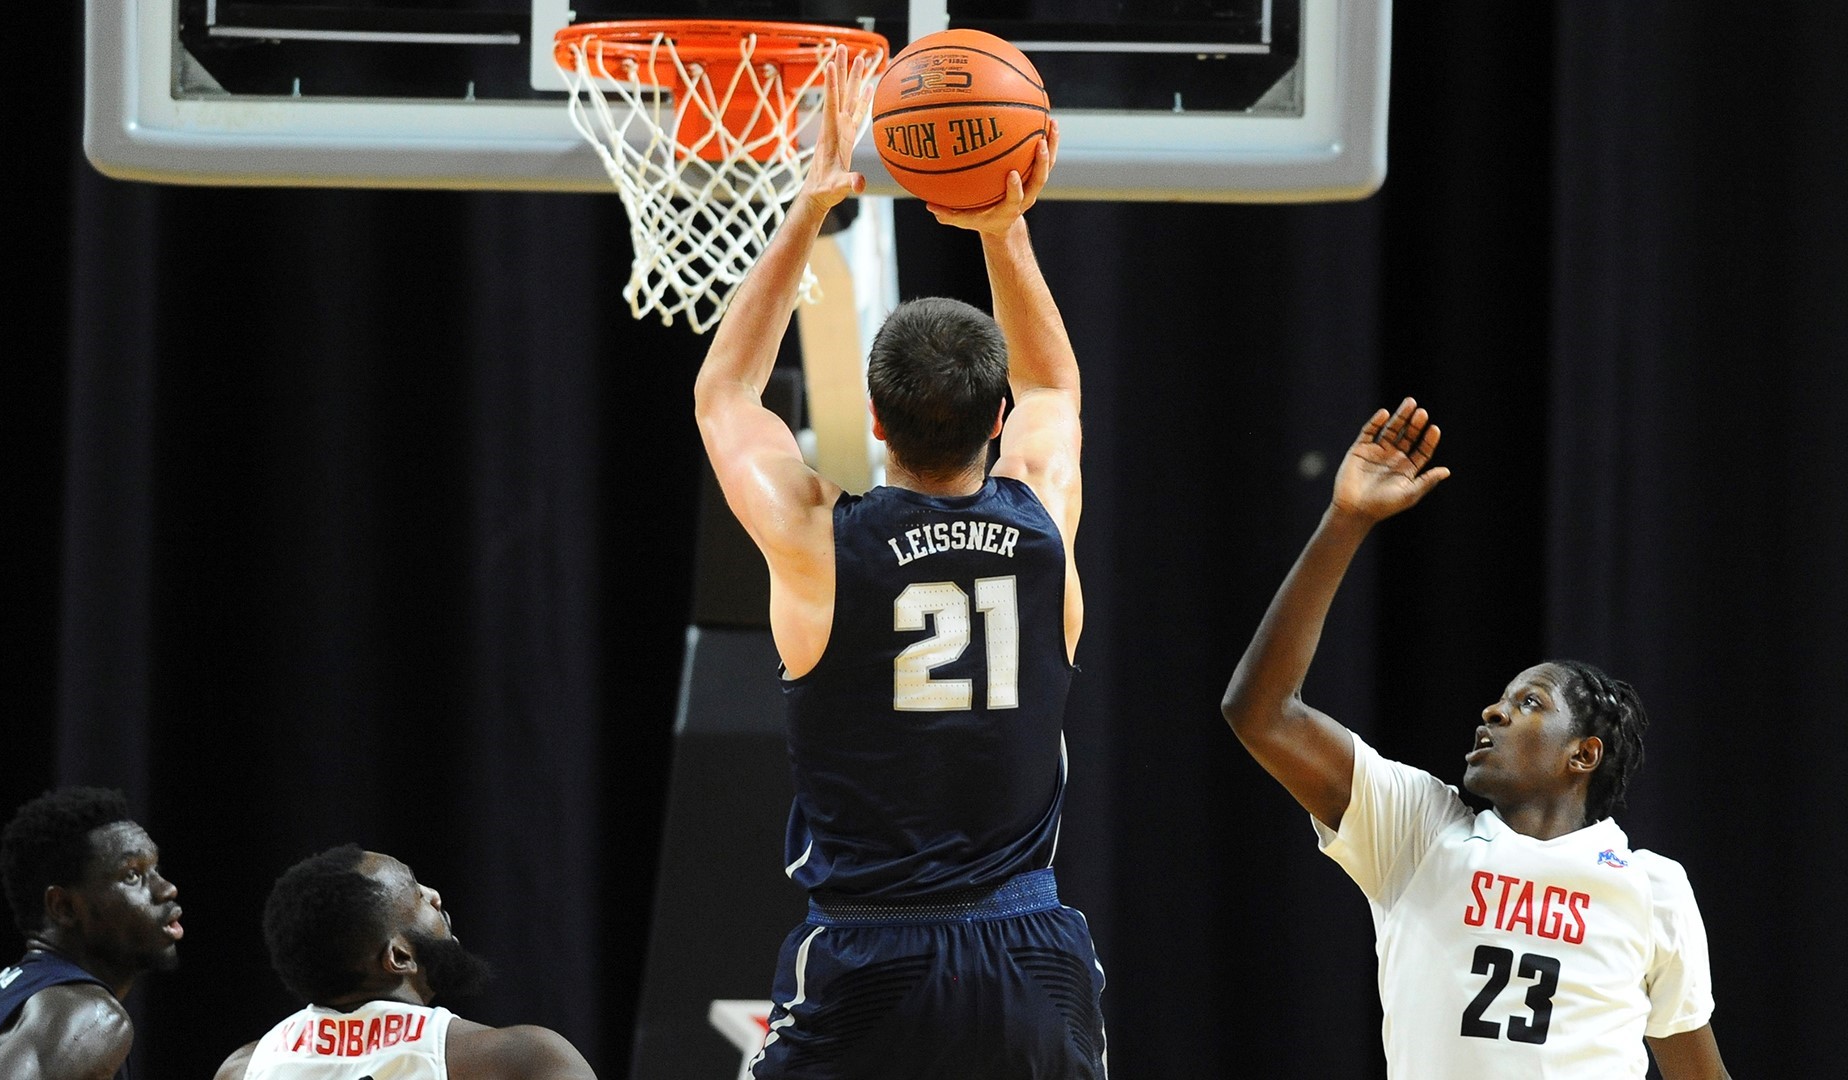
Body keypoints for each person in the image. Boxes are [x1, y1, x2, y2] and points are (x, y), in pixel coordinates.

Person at [693, 48, 1103, 1079]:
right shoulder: (1045, 517)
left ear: (870, 422)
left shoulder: (818, 541)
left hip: (873, 953)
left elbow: (726, 398)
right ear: (996, 420)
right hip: (1032, 953)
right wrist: (1001, 226)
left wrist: (812, 205)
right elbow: (1056, 384)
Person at [1220, 399, 1731, 1078]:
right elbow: (1262, 714)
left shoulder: (1652, 887)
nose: (1492, 712)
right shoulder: (1419, 830)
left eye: (1528, 702)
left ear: (1584, 753)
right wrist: (1346, 521)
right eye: (1498, 700)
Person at [213, 845, 595, 1080]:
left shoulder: (243, 1069)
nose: (434, 896)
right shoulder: (521, 1061)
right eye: (414, 892)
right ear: (398, 956)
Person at [0, 786, 182, 1080]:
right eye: (132, 875)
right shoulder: (89, 1015)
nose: (167, 889)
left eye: (156, 869)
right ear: (63, 907)